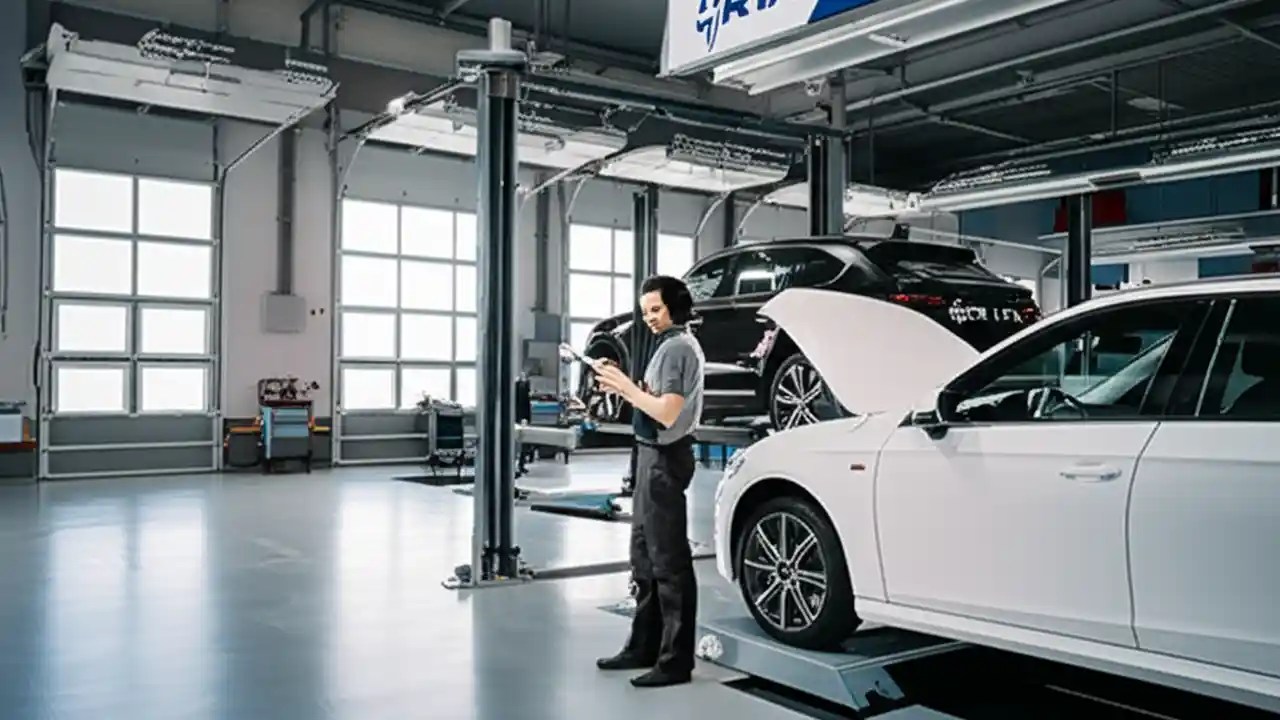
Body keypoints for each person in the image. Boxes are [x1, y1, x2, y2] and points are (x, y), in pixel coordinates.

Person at [592, 275, 705, 688]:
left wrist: (625, 387)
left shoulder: (677, 347)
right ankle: (643, 645)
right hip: (648, 454)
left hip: (664, 458)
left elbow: (668, 412)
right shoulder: (668, 345)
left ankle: (675, 661)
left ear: (676, 306)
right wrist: (627, 387)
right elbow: (654, 400)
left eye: (656, 309)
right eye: (645, 312)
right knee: (643, 556)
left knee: (668, 560)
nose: (650, 318)